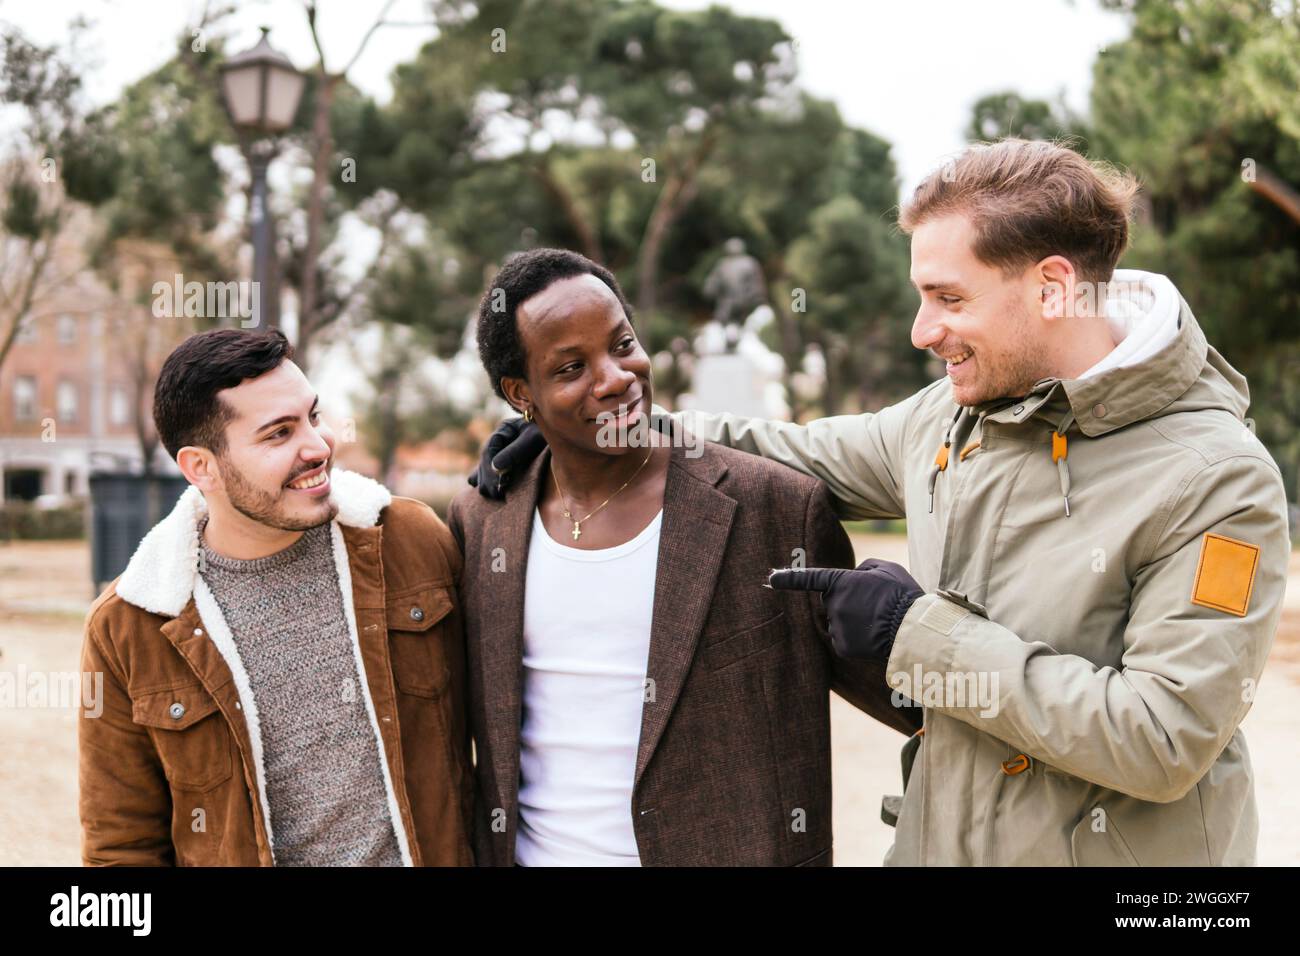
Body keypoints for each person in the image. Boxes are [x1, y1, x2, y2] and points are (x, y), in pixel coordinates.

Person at [472, 140, 1291, 866]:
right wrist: (614, 427)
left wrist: (917, 634)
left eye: (950, 298)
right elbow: (788, 453)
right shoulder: (952, 414)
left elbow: (1164, 738)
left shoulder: (1218, 481)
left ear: (1051, 288)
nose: (921, 330)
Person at [448, 248, 918, 867]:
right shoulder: (482, 520)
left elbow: (922, 709)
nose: (616, 376)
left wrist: (912, 629)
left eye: (621, 344)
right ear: (519, 394)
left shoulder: (775, 509)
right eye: (570, 368)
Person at [79, 328, 473, 866]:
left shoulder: (410, 542)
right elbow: (122, 848)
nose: (319, 446)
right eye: (278, 434)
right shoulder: (130, 628)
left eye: (313, 416)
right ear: (202, 467)